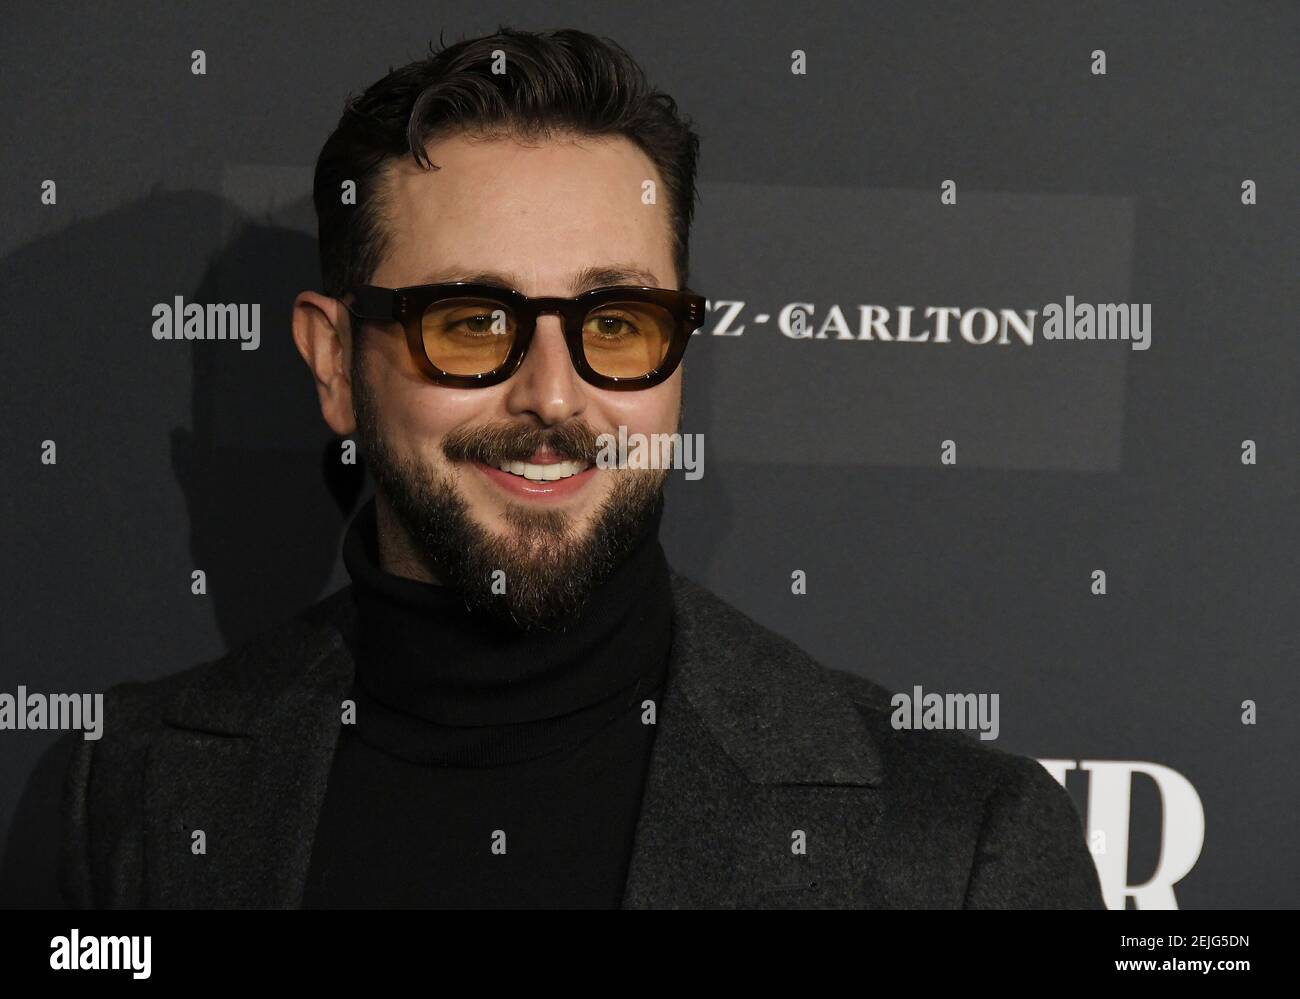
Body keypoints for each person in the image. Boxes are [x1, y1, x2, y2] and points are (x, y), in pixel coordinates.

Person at [55, 26, 1104, 908]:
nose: (554, 399)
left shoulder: (957, 844)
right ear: (335, 362)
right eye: (472, 322)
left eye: (616, 322)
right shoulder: (137, 786)